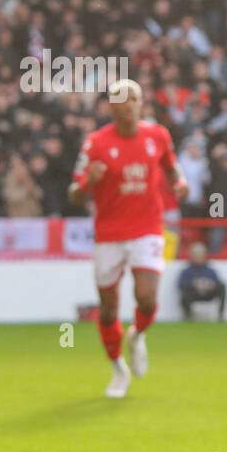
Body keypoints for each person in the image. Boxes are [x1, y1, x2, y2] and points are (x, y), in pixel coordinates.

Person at [69, 80, 188, 398]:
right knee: (108, 310)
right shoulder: (95, 143)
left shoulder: (158, 135)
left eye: (134, 99)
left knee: (146, 296)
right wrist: (86, 185)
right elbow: (74, 195)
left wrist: (180, 182)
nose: (130, 105)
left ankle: (137, 335)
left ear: (141, 103)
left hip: (147, 227)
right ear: (111, 106)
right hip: (109, 234)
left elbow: (171, 167)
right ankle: (118, 368)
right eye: (122, 100)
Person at [178, 242, 227, 321]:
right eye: (196, 255)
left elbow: (217, 282)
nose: (198, 257)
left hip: (208, 294)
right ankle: (188, 315)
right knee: (185, 291)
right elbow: (180, 285)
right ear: (192, 256)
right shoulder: (187, 271)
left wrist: (209, 285)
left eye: (200, 255)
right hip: (194, 294)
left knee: (223, 286)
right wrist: (194, 284)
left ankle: (221, 315)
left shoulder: (210, 271)